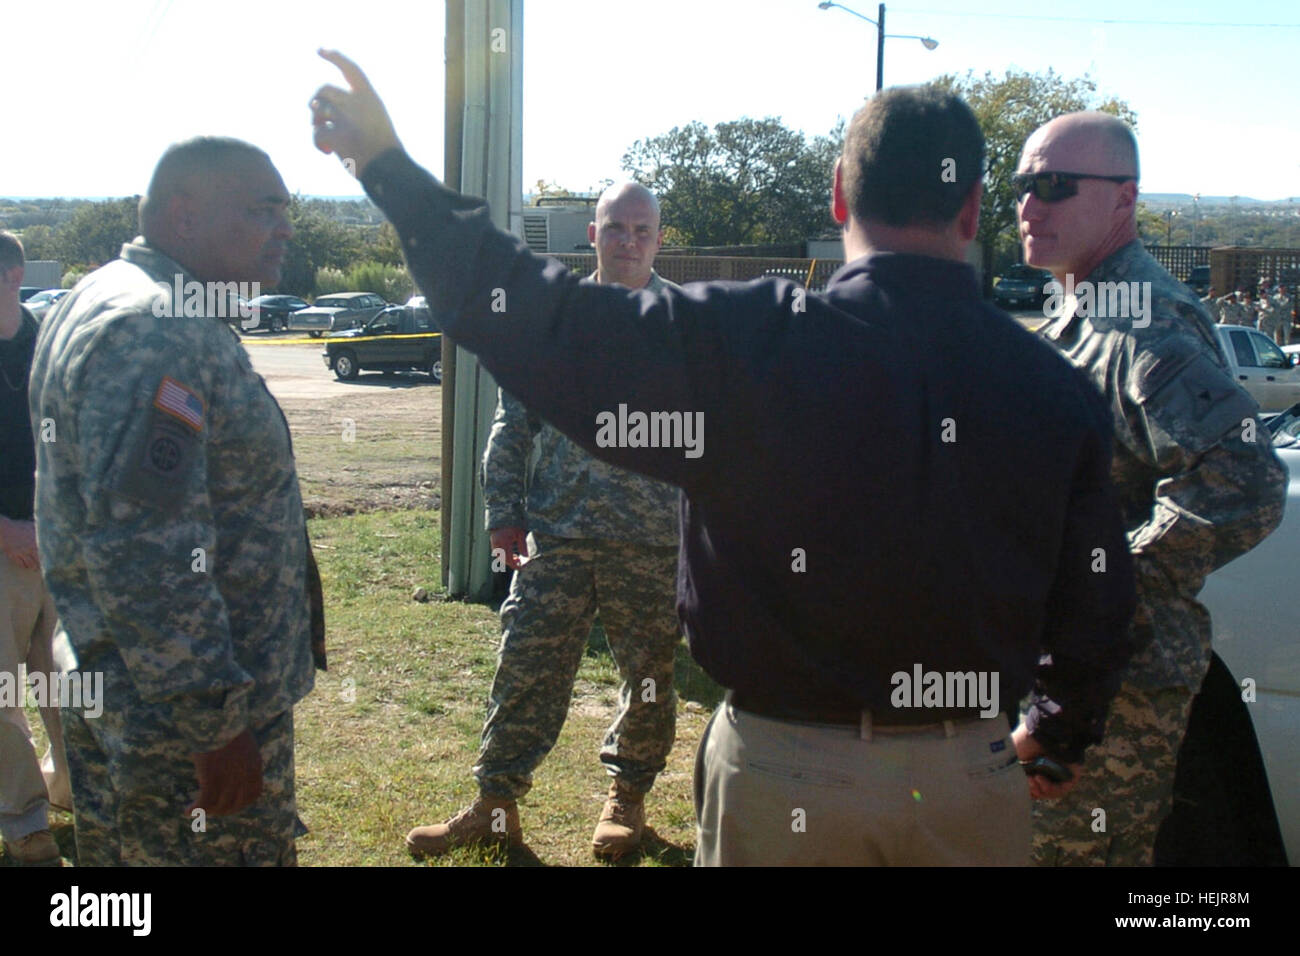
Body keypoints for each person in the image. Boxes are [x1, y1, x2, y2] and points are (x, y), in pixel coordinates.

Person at [311, 52, 1137, 866]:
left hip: (784, 775)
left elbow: (534, 321)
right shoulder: (1054, 387)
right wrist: (1061, 729)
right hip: (966, 777)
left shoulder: (748, 345)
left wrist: (387, 167)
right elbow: (1098, 591)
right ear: (974, 208)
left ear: (840, 194)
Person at [29, 137, 325, 866]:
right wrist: (214, 725)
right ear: (184, 216)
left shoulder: (104, 295)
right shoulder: (158, 329)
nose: (285, 228)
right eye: (263, 210)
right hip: (174, 727)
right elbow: (149, 550)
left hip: (124, 687)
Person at [1015, 111, 1287, 866]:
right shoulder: (1087, 307)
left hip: (1116, 694)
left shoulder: (1146, 321)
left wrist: (1104, 582)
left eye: (1056, 186)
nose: (1031, 206)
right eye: (1023, 186)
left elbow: (1246, 478)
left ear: (1123, 200)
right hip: (1075, 677)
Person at [405, 183, 682, 861]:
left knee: (648, 675)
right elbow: (512, 425)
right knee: (525, 666)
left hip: (652, 541)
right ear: (592, 234)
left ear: (659, 239)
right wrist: (504, 513)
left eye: (642, 230)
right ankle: (495, 805)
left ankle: (628, 802)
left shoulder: (687, 324)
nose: (628, 241)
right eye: (616, 228)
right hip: (556, 532)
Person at [0, 231, 71, 866]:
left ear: (14, 276)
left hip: (61, 546)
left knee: (69, 684)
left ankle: (68, 788)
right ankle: (25, 822)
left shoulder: (51, 342)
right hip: (2, 551)